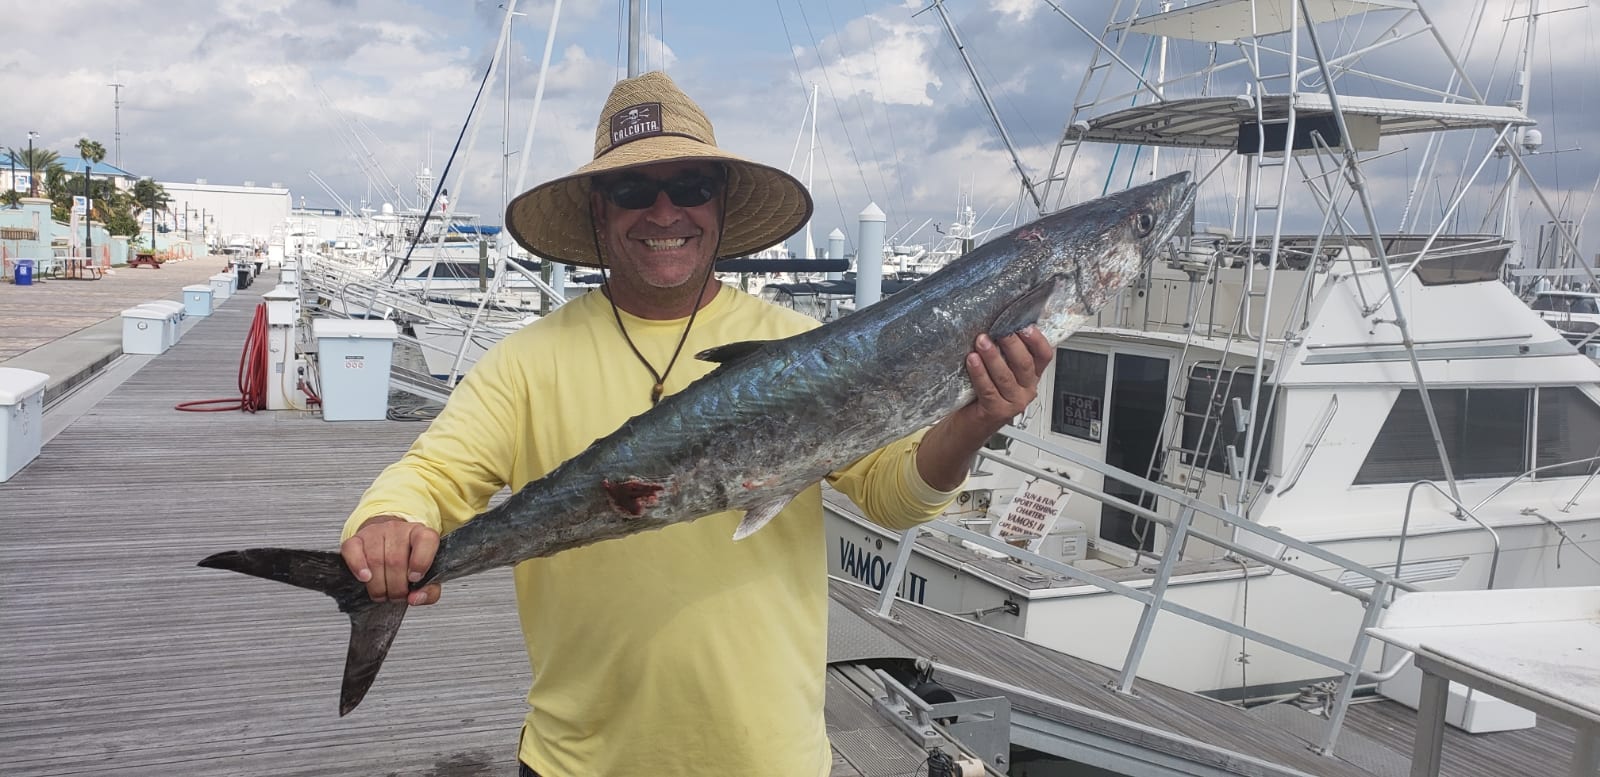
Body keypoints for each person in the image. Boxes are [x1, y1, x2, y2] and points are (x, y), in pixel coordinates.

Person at [339, 71, 1053, 777]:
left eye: (689, 186)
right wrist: (388, 520)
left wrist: (976, 421)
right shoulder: (525, 362)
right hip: (579, 762)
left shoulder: (800, 343)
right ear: (599, 211)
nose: (663, 212)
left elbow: (892, 497)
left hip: (769, 761)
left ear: (719, 202)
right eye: (632, 191)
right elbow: (433, 472)